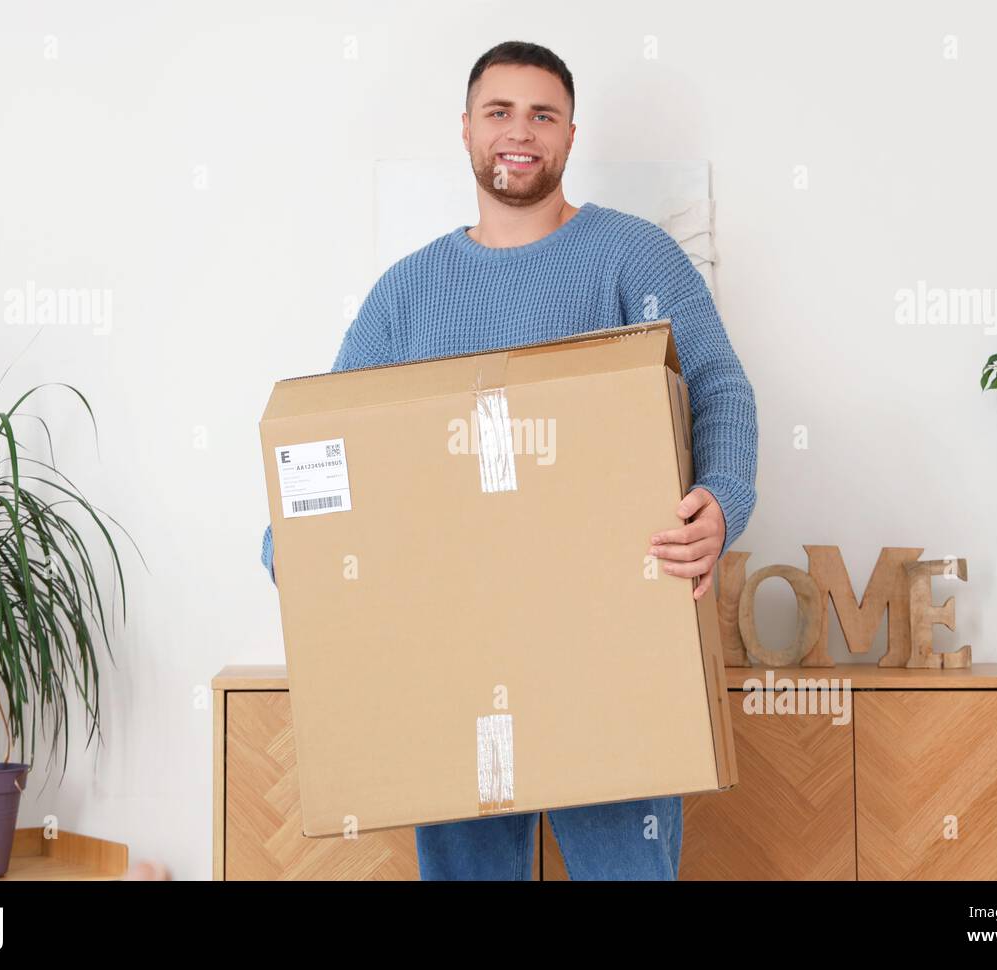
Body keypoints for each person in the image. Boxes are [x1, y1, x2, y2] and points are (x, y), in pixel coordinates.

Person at [260, 40, 758, 880]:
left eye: (542, 114)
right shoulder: (406, 295)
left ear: (569, 133)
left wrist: (722, 497)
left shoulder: (632, 257)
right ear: (465, 130)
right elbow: (325, 441)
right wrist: (300, 553)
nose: (519, 132)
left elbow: (721, 390)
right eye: (499, 112)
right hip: (447, 662)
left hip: (610, 648)